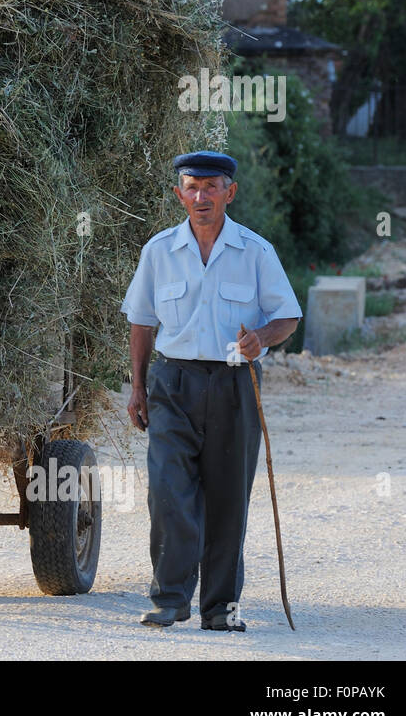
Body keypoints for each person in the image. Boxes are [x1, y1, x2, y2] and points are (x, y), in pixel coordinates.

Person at [120, 151, 302, 631]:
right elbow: (142, 321)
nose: (201, 197)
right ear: (179, 194)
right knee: (167, 491)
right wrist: (138, 387)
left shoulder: (256, 251)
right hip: (172, 383)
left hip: (234, 385)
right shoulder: (158, 251)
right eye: (191, 187)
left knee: (227, 500)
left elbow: (288, 315)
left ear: (230, 192)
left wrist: (261, 339)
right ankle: (170, 599)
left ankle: (221, 608)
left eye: (211, 187)